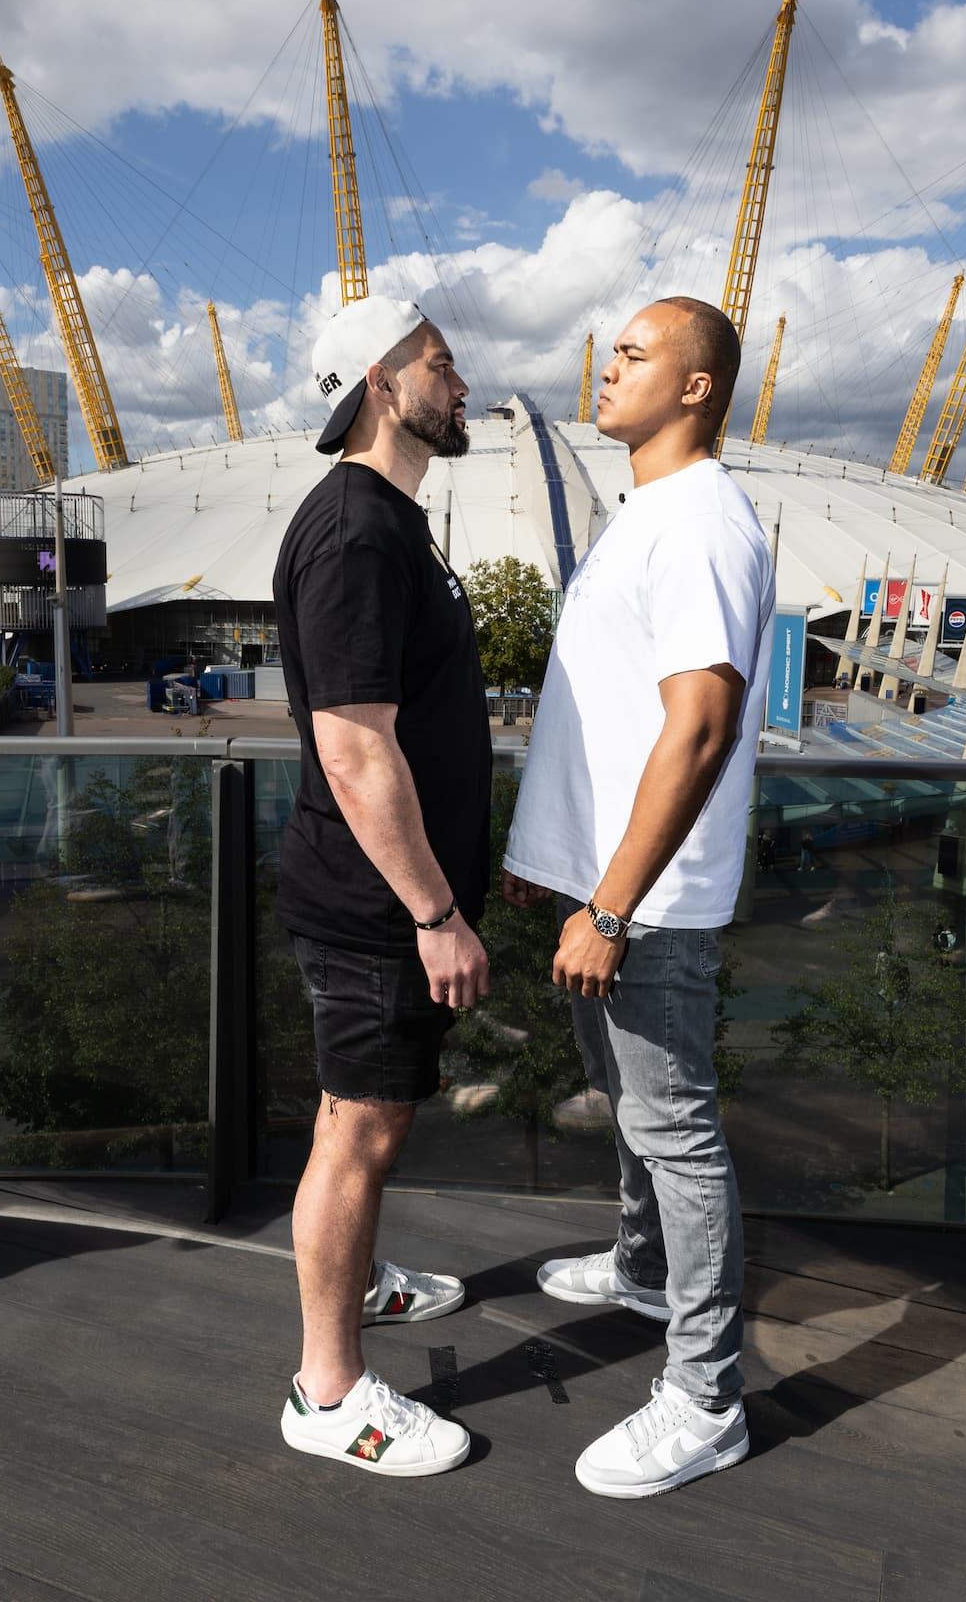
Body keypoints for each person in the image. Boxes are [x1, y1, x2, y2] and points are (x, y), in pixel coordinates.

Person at [503, 295, 775, 1499]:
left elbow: (700, 723)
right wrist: (551, 854)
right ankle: (645, 1272)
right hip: (599, 884)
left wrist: (609, 908)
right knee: (628, 1106)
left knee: (678, 1133)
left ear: (698, 387)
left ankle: (706, 1397)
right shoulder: (645, 513)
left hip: (647, 904)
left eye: (632, 353)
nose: (604, 367)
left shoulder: (704, 521)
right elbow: (605, 714)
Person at [272, 294, 491, 1478]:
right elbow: (356, 749)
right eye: (442, 366)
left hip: (382, 904)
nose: (461, 387)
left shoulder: (389, 521)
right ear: (380, 379)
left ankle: (357, 1278)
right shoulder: (359, 533)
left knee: (359, 1122)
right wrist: (436, 914)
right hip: (376, 912)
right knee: (361, 1128)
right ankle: (328, 1390)